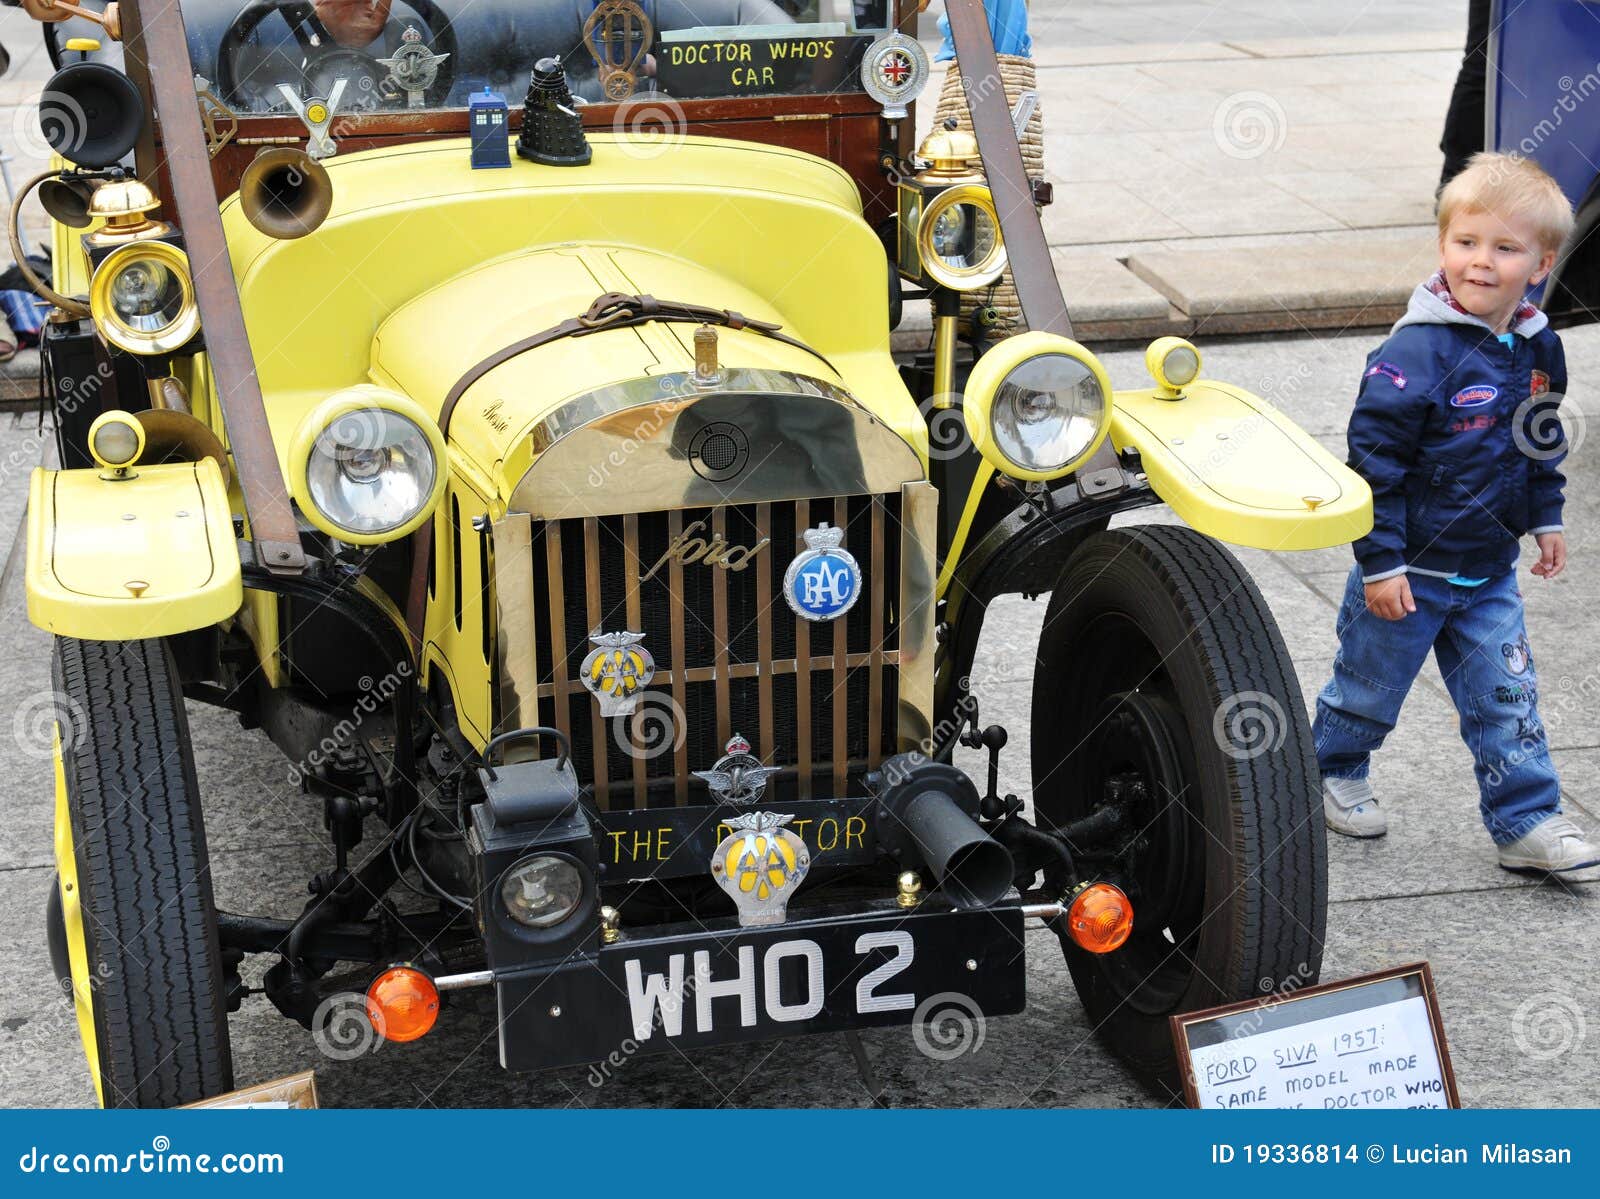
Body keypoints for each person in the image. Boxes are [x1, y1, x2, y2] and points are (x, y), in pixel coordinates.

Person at [1313, 152, 1599, 873]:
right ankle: (1330, 771)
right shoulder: (1412, 354)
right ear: (1444, 245)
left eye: (1505, 248)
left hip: (1487, 571)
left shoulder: (1538, 346)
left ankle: (1525, 820)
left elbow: (1538, 436)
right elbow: (1372, 468)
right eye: (1466, 243)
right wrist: (1379, 563)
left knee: (1507, 697)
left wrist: (1548, 514)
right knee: (1368, 690)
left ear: (1540, 263)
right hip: (1406, 569)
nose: (1481, 262)